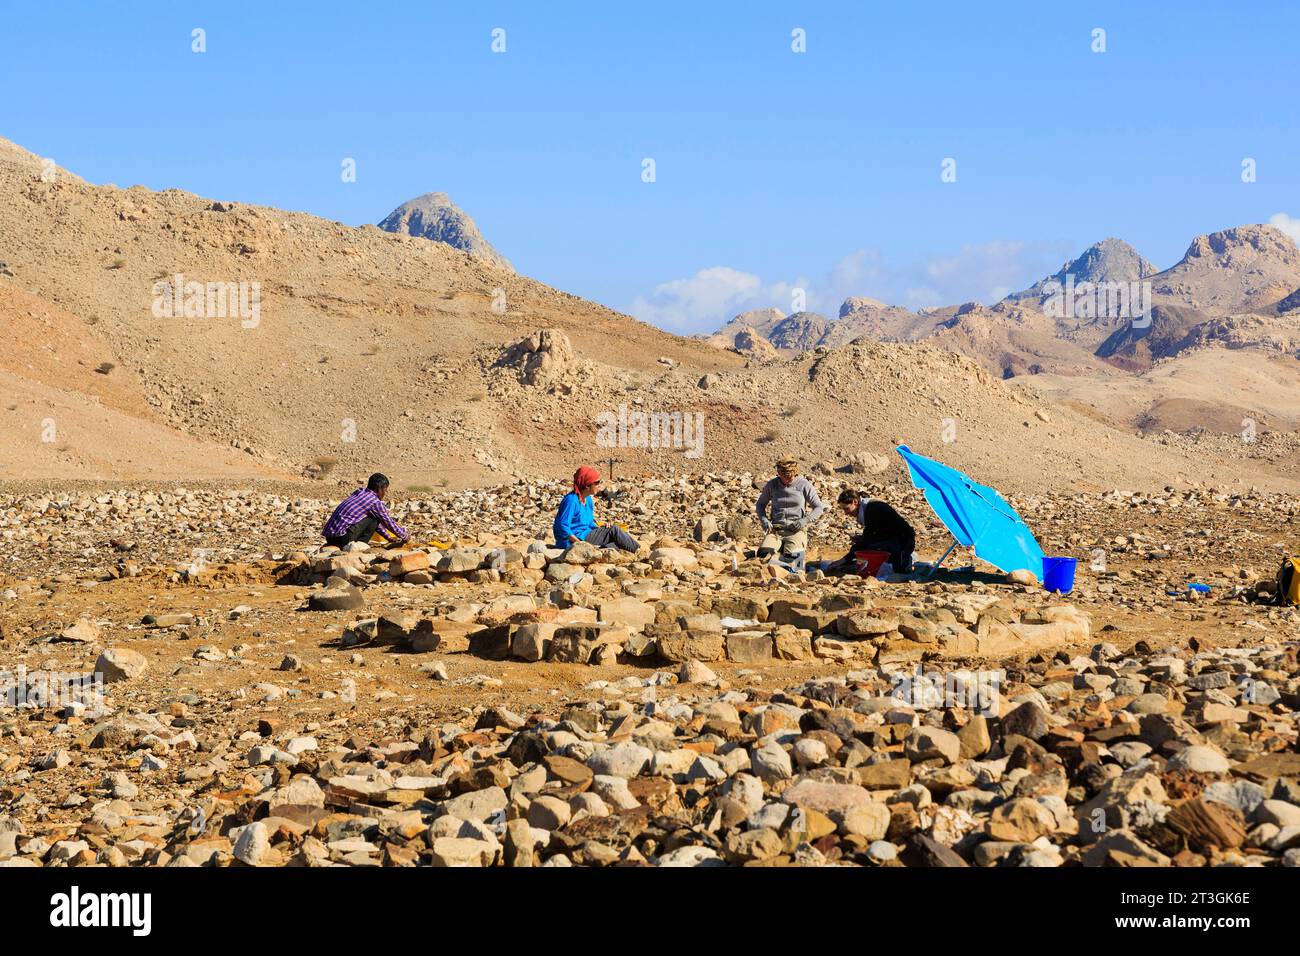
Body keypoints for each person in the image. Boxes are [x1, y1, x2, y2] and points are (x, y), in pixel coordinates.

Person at [755, 458, 825, 568]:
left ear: (795, 473)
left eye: (790, 477)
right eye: (784, 477)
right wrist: (764, 519)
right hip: (776, 531)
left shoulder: (804, 485)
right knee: (762, 557)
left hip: (796, 531)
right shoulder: (772, 485)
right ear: (779, 473)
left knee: (795, 563)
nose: (788, 480)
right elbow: (760, 505)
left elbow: (819, 507)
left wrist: (805, 520)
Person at [828, 487, 915, 574]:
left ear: (855, 502)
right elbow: (876, 533)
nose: (846, 513)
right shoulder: (868, 508)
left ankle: (902, 562)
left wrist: (842, 560)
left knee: (866, 551)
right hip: (893, 539)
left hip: (902, 542)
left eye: (847, 509)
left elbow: (867, 540)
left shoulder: (873, 510)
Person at [554, 466, 639, 551]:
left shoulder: (588, 499)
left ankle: (601, 550)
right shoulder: (571, 500)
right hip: (574, 539)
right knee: (614, 530)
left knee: (616, 539)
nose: (599, 485)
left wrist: (601, 529)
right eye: (597, 482)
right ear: (587, 485)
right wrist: (580, 545)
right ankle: (637, 550)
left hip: (585, 535)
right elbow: (563, 526)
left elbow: (589, 523)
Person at [322, 473, 410, 548]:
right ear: (379, 489)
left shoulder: (359, 492)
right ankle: (360, 545)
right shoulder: (374, 502)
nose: (385, 493)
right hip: (342, 538)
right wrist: (405, 536)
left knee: (374, 517)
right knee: (375, 517)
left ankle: (357, 545)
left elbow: (375, 523)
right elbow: (388, 522)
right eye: (385, 490)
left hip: (330, 537)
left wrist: (388, 538)